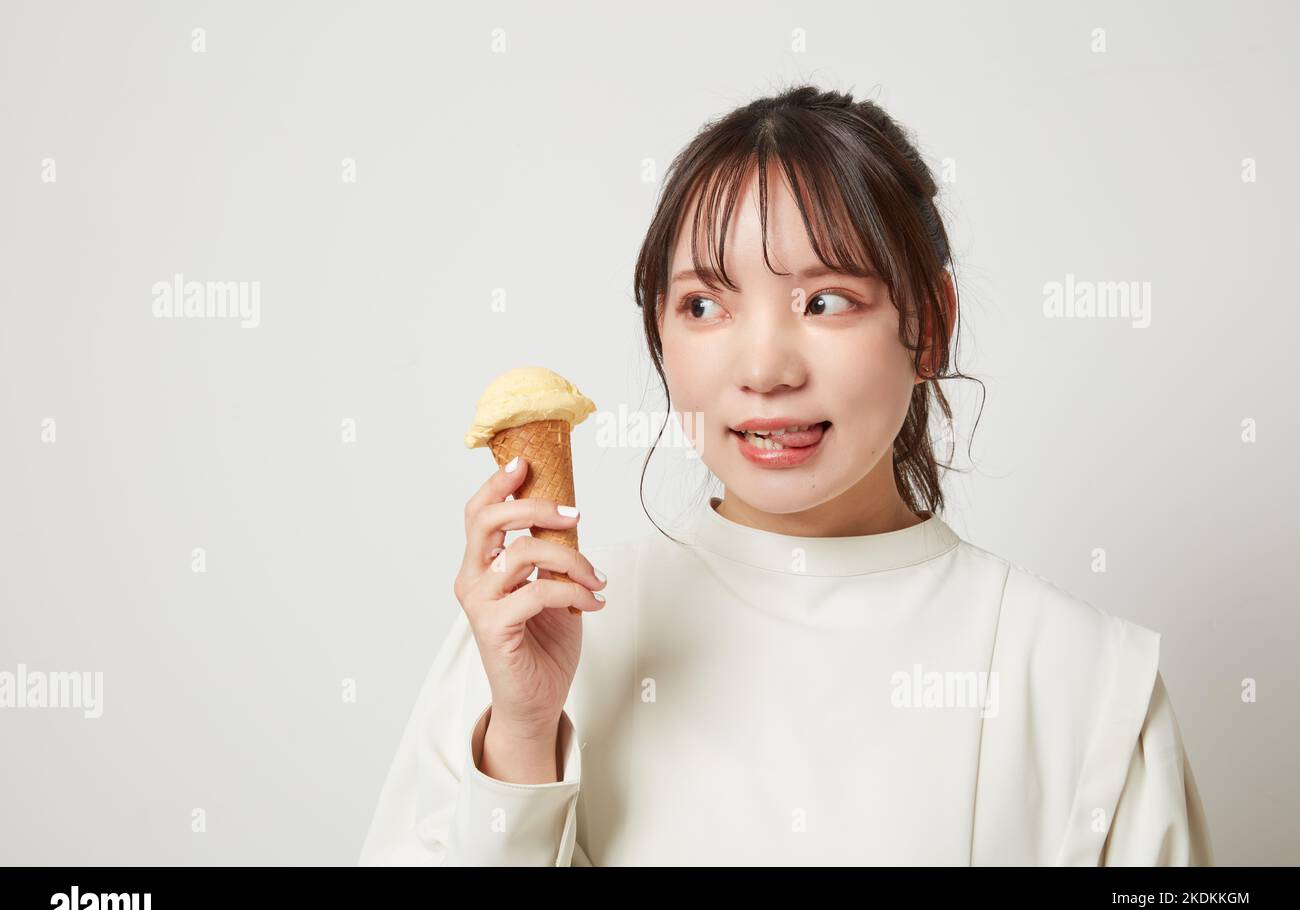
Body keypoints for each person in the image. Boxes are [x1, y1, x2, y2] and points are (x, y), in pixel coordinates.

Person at [358, 85, 1213, 866]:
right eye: (705, 305)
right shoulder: (531, 635)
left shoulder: (1087, 680)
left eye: (825, 301)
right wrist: (522, 735)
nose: (763, 369)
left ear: (932, 325)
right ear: (660, 333)